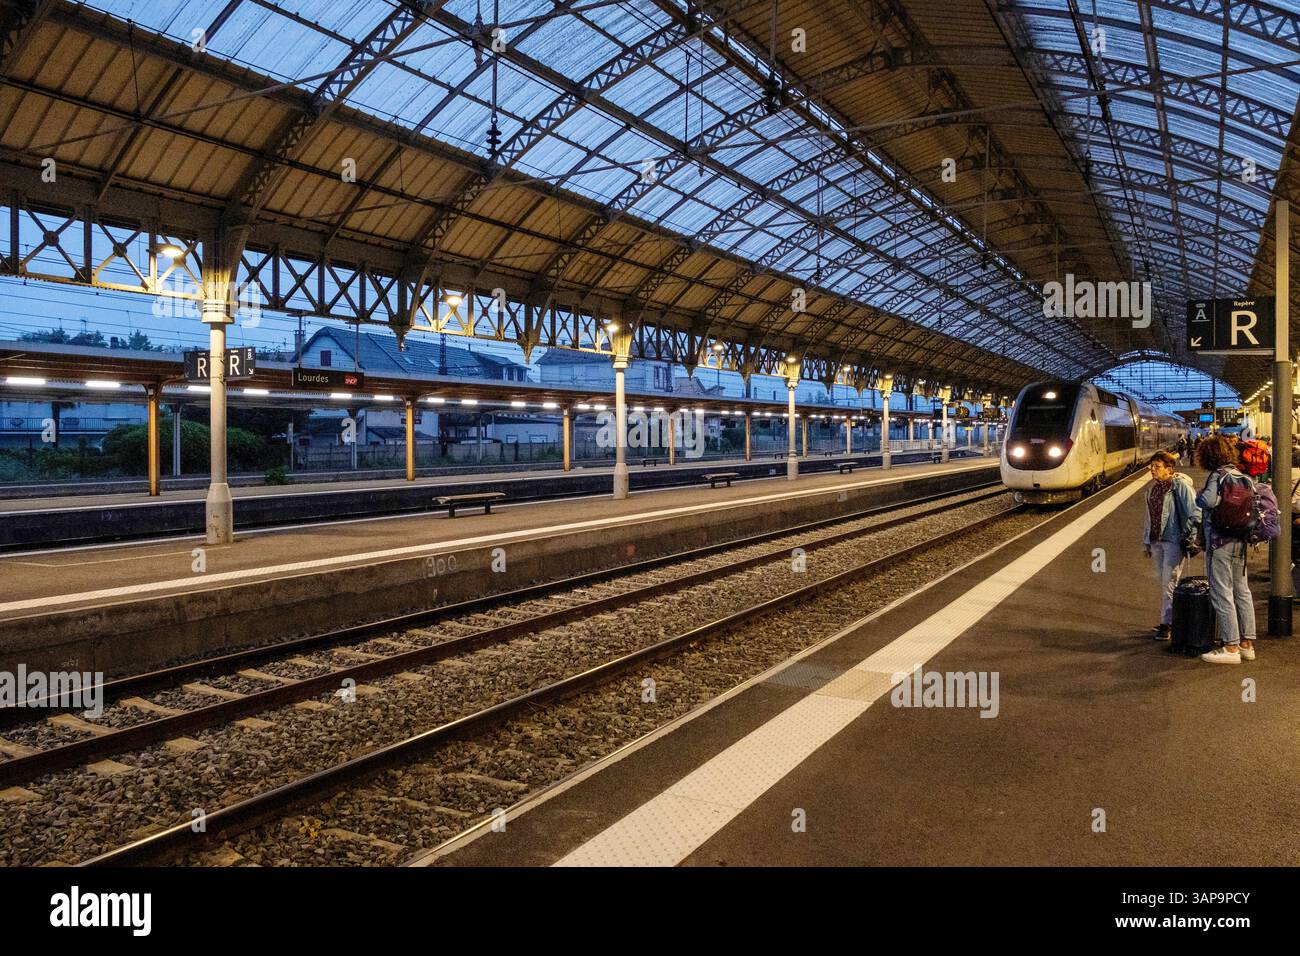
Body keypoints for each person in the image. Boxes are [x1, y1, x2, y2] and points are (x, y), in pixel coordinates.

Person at [1195, 434, 1257, 664]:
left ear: (1208, 457)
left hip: (1220, 541)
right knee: (1242, 591)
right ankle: (1247, 645)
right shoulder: (1244, 477)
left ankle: (1230, 647)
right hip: (1240, 541)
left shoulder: (1218, 476)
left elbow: (1208, 503)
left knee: (1222, 592)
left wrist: (1200, 495)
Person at [1141, 451, 1199, 641]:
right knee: (1164, 581)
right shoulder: (1153, 489)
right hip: (1157, 540)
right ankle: (1168, 619)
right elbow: (1149, 517)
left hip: (1174, 540)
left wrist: (1190, 537)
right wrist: (1147, 543)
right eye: (1151, 467)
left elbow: (1194, 512)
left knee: (1170, 582)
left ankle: (1168, 625)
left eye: (1157, 467)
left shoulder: (1179, 486)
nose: (1152, 470)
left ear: (1169, 469)